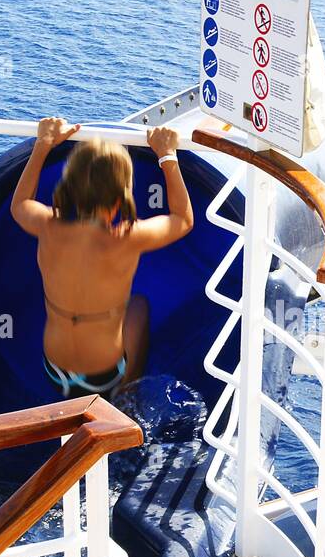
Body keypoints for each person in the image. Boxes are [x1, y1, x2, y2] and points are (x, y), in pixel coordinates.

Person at [10, 118, 194, 399]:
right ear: (119, 200)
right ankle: (124, 396)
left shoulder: (47, 224)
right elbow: (182, 220)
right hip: (103, 378)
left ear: (68, 189)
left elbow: (20, 203)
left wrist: (43, 144)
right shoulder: (127, 238)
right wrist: (167, 155)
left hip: (53, 370)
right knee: (140, 306)